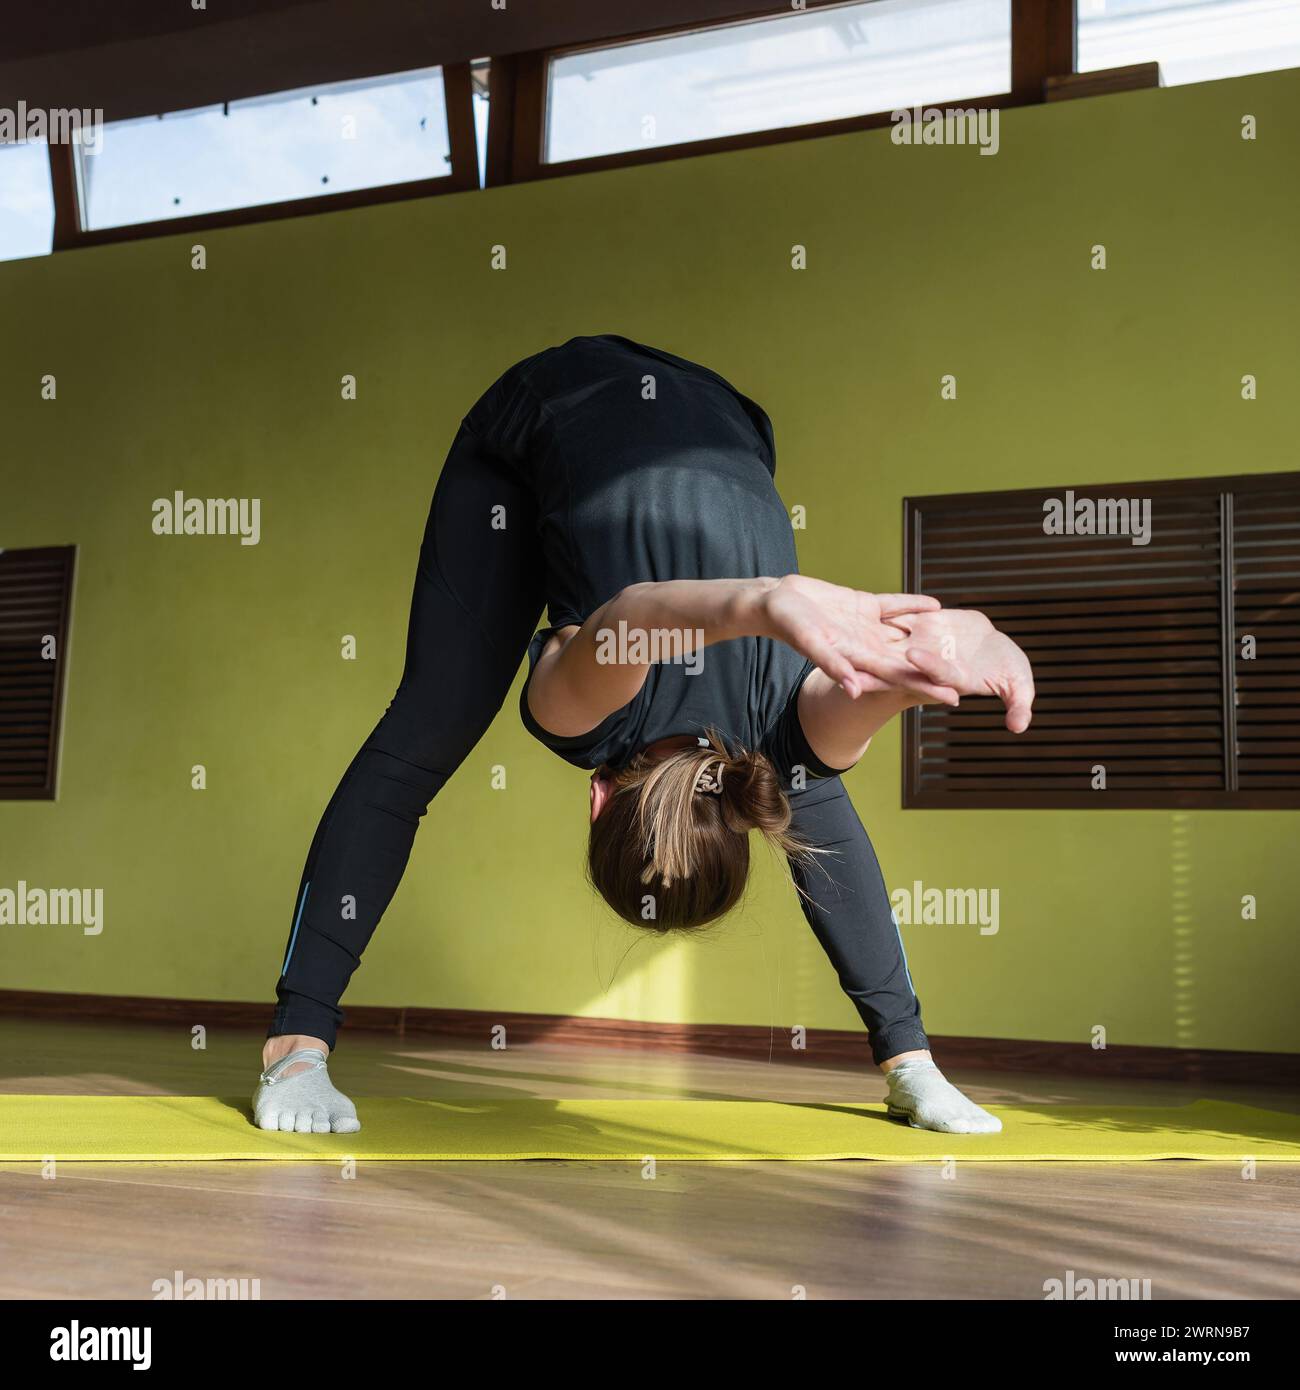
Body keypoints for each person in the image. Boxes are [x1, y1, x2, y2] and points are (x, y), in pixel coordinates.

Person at [252, 335, 1034, 1136]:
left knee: (810, 797)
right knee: (416, 744)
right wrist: (798, 615)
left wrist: (932, 662)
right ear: (597, 802)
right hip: (564, 407)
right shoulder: (591, 724)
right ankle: (295, 1053)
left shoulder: (783, 746)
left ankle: (913, 1064)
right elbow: (634, 619)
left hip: (724, 415)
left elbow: (663, 630)